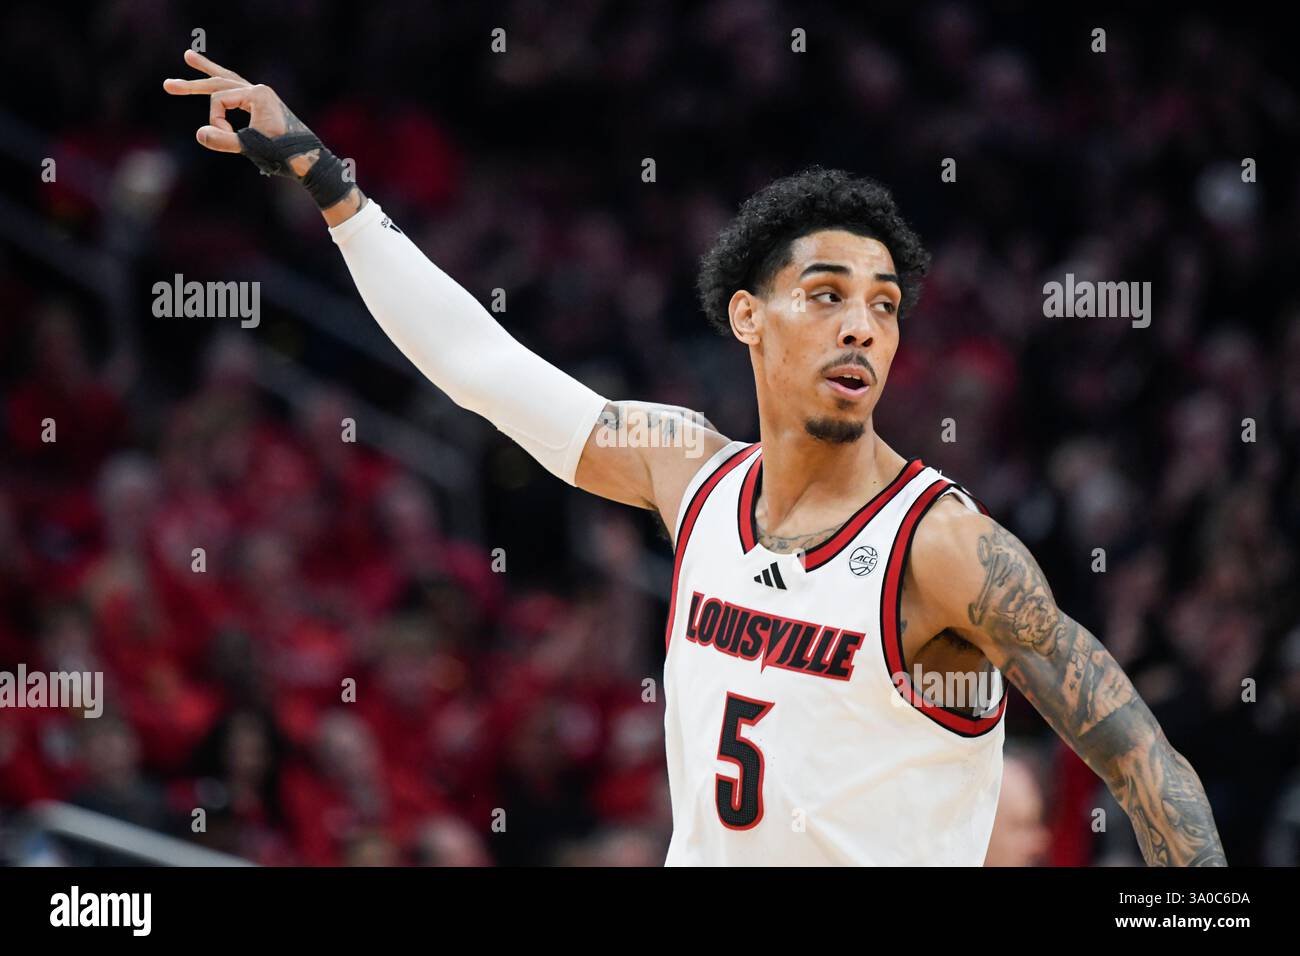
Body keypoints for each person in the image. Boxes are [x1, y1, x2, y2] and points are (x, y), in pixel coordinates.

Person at [164, 49, 1226, 866]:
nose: (861, 326)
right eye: (826, 296)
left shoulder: (943, 548)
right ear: (747, 318)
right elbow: (479, 362)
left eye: (884, 306)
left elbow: (1142, 759)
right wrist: (326, 181)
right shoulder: (689, 474)